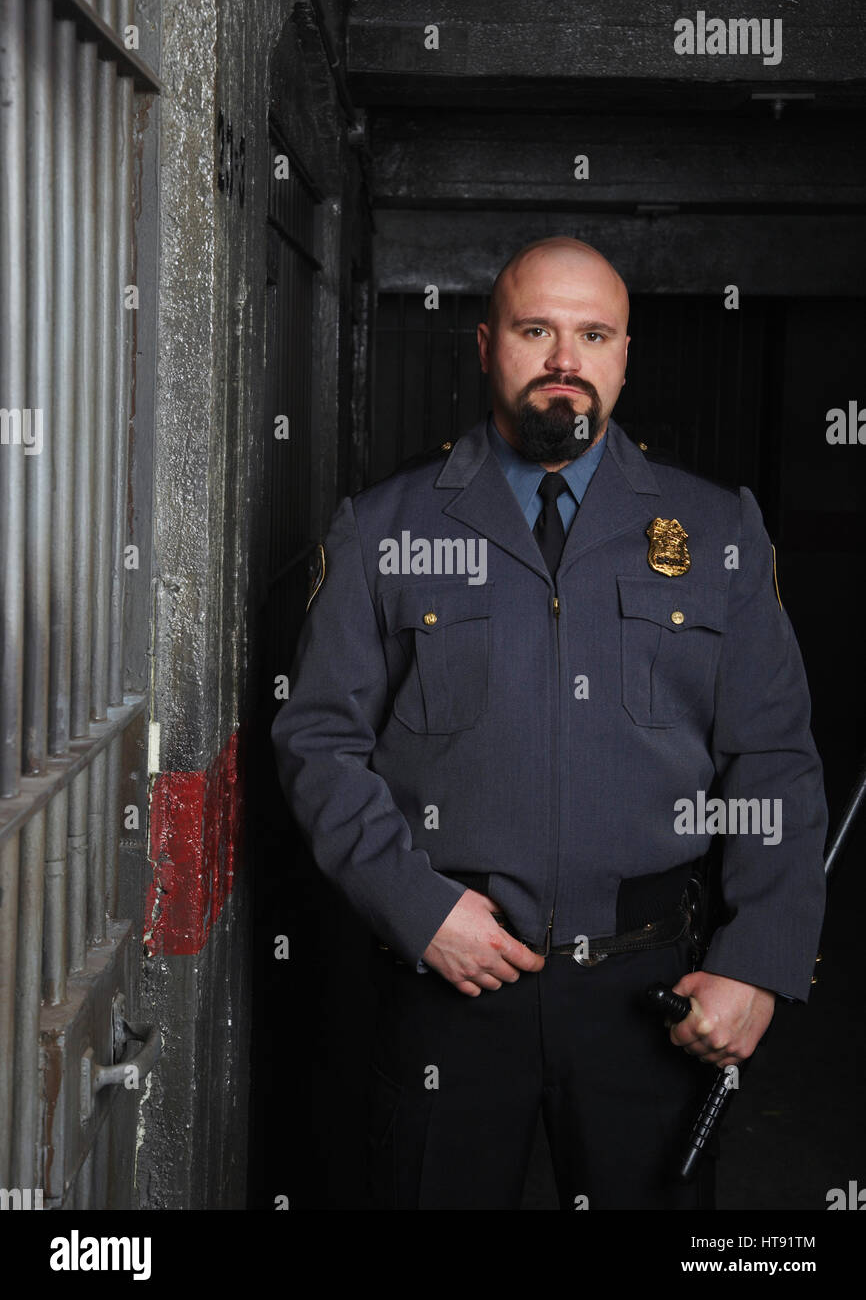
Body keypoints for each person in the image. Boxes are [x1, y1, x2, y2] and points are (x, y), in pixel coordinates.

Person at [271, 236, 827, 1210]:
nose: (564, 358)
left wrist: (758, 959)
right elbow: (318, 740)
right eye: (536, 330)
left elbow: (769, 760)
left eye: (593, 334)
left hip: (650, 994)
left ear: (623, 355)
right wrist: (415, 906)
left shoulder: (715, 533)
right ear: (487, 345)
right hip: (448, 983)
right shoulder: (387, 529)